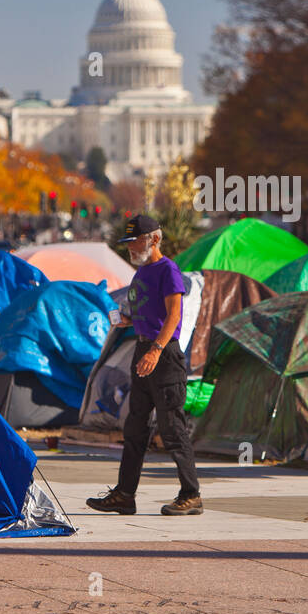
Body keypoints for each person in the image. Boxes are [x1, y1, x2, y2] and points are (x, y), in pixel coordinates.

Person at [86, 214, 202, 516]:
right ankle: (125, 495)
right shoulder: (140, 275)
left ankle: (191, 495)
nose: (131, 248)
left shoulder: (168, 270)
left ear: (154, 239)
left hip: (163, 356)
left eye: (135, 241)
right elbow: (146, 315)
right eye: (127, 243)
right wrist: (126, 321)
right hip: (142, 351)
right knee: (134, 427)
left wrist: (156, 350)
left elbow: (174, 315)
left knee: (172, 428)